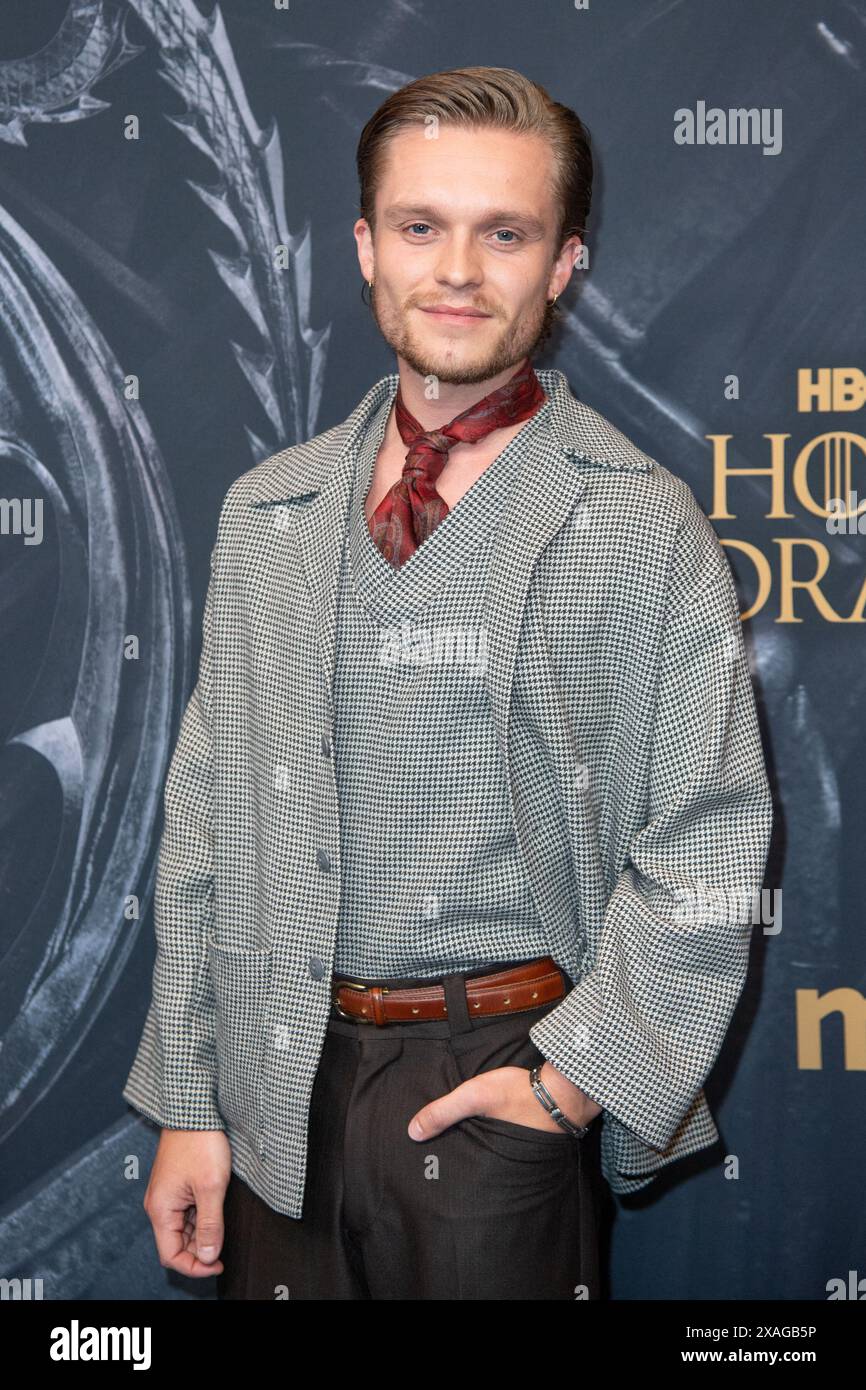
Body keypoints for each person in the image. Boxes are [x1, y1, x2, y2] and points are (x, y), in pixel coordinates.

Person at [123, 66, 773, 1300]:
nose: (458, 271)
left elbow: (707, 839)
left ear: (565, 262)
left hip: (495, 1083)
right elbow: (208, 828)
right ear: (365, 247)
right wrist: (191, 1099)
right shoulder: (266, 510)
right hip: (278, 1081)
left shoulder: (634, 521)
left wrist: (565, 1086)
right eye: (421, 227)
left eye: (505, 232)